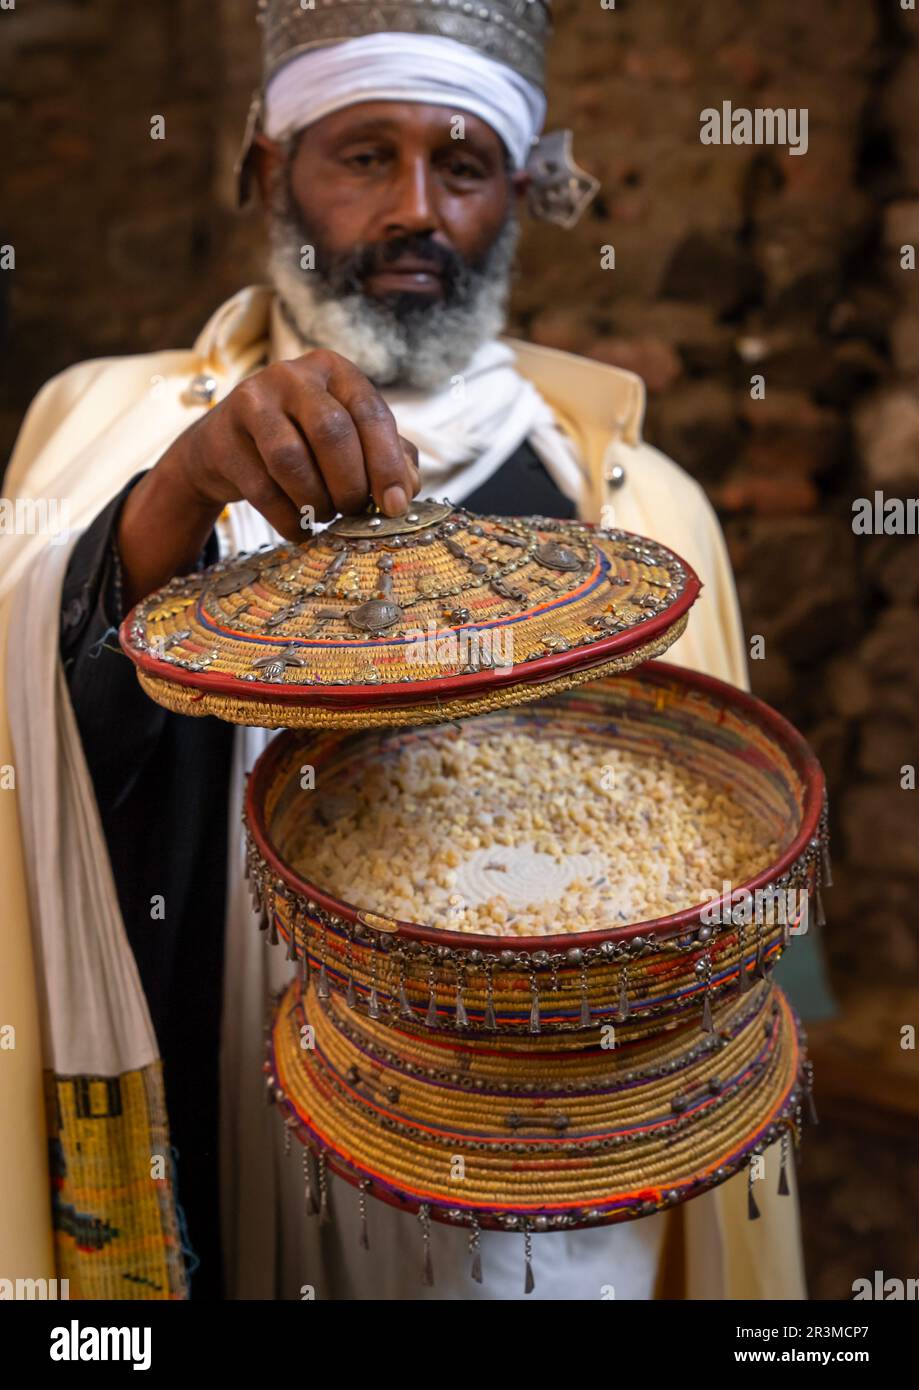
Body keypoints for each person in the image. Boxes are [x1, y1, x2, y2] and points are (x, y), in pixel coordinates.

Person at [0, 0, 809, 1300]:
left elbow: (724, 859)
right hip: (232, 1132)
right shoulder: (111, 427)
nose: (416, 209)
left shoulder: (638, 503)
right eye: (363, 155)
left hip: (554, 1206)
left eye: (465, 163)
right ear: (271, 170)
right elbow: (39, 711)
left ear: (522, 190)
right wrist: (182, 491)